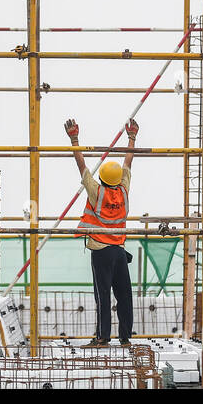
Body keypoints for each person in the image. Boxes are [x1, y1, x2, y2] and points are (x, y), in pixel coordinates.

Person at [65, 116, 138, 347]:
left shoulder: (97, 192)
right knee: (124, 295)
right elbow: (128, 164)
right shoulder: (124, 191)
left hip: (101, 251)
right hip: (118, 251)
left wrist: (74, 139)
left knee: (103, 296)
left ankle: (102, 337)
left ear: (103, 179)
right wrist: (132, 137)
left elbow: (82, 167)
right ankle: (125, 337)